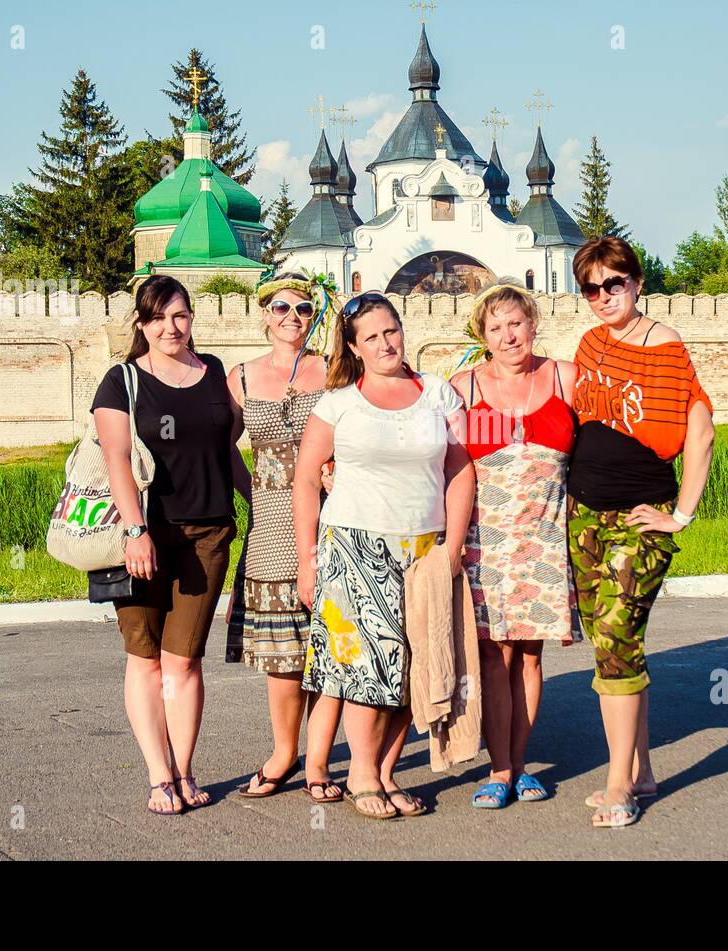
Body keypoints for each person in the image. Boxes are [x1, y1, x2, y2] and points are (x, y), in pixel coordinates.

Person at [292, 292, 475, 820]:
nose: (385, 343)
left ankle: (386, 772)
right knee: (368, 667)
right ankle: (362, 775)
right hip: (353, 544)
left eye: (391, 330)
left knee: (413, 663)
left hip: (424, 548)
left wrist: (454, 545)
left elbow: (460, 469)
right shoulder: (339, 402)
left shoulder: (436, 392)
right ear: (354, 346)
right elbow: (306, 479)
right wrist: (309, 559)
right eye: (371, 336)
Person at [568, 236, 715, 829]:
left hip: (639, 514)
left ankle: (618, 786)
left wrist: (681, 514)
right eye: (591, 288)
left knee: (612, 634)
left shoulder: (665, 345)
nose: (604, 296)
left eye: (614, 284)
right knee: (617, 644)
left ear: (636, 283)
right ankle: (644, 770)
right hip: (583, 516)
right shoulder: (590, 344)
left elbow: (700, 430)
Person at [91, 274, 244, 816]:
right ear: (142, 324)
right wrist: (135, 531)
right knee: (146, 661)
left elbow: (228, 454)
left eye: (179, 315)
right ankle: (159, 776)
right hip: (145, 536)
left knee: (185, 661)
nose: (170, 327)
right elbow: (116, 463)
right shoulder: (122, 381)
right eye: (158, 318)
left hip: (209, 533)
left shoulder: (216, 374)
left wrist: (266, 502)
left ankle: (184, 768)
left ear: (192, 318)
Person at [448, 281, 581, 809]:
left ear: (533, 324)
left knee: (529, 654)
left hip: (544, 539)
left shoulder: (564, 378)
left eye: (516, 323)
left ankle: (522, 765)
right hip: (485, 541)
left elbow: (597, 451)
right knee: (492, 655)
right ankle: (497, 768)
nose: (508, 336)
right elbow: (440, 462)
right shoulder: (464, 387)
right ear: (482, 335)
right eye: (496, 327)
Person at [224, 271, 344, 803]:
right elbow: (225, 445)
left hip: (335, 513)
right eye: (280, 309)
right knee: (282, 651)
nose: (291, 318)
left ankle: (318, 762)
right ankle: (283, 752)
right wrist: (251, 491)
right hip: (271, 522)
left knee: (334, 640)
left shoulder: (333, 369)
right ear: (264, 314)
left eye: (301, 309)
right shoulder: (241, 378)